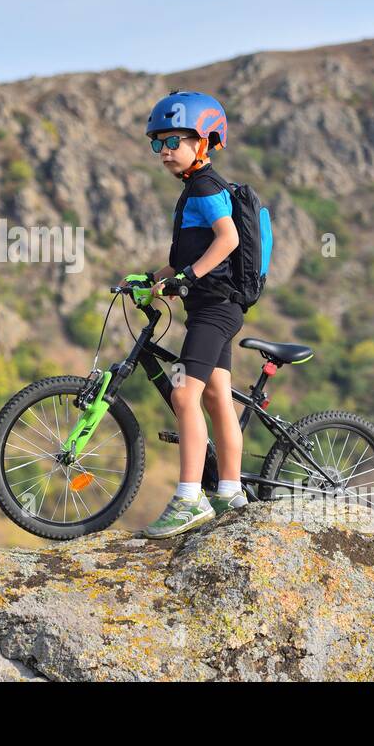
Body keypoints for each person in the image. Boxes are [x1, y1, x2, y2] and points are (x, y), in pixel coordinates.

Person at [126, 91, 251, 539]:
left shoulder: (205, 187)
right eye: (157, 143)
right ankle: (231, 493)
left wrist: (187, 278)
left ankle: (189, 497)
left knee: (183, 395)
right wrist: (152, 279)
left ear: (204, 141)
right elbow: (186, 261)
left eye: (173, 141)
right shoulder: (194, 190)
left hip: (215, 308)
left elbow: (227, 240)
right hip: (212, 304)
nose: (163, 151)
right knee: (217, 397)